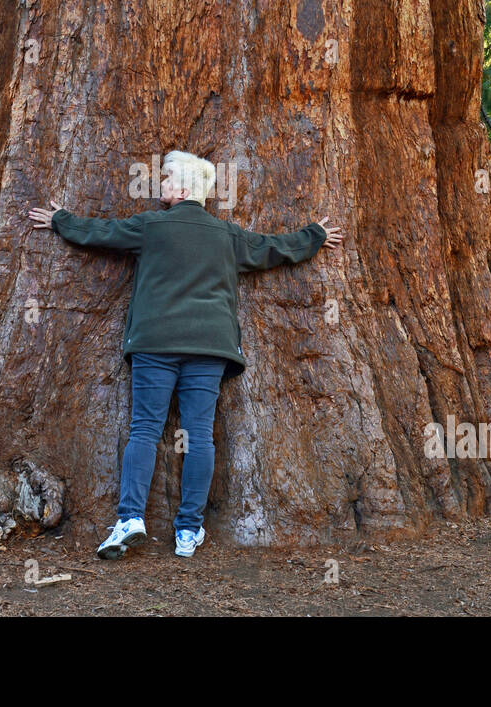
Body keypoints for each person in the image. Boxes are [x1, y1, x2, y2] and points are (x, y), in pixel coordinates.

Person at [27, 151, 343, 559]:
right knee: (198, 436)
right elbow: (273, 248)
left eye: (166, 178)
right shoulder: (227, 235)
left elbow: (101, 233)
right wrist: (313, 235)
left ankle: (130, 519)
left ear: (181, 189)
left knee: (144, 428)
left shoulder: (150, 227)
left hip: (155, 343)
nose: (160, 183)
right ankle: (189, 530)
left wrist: (60, 220)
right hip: (208, 348)